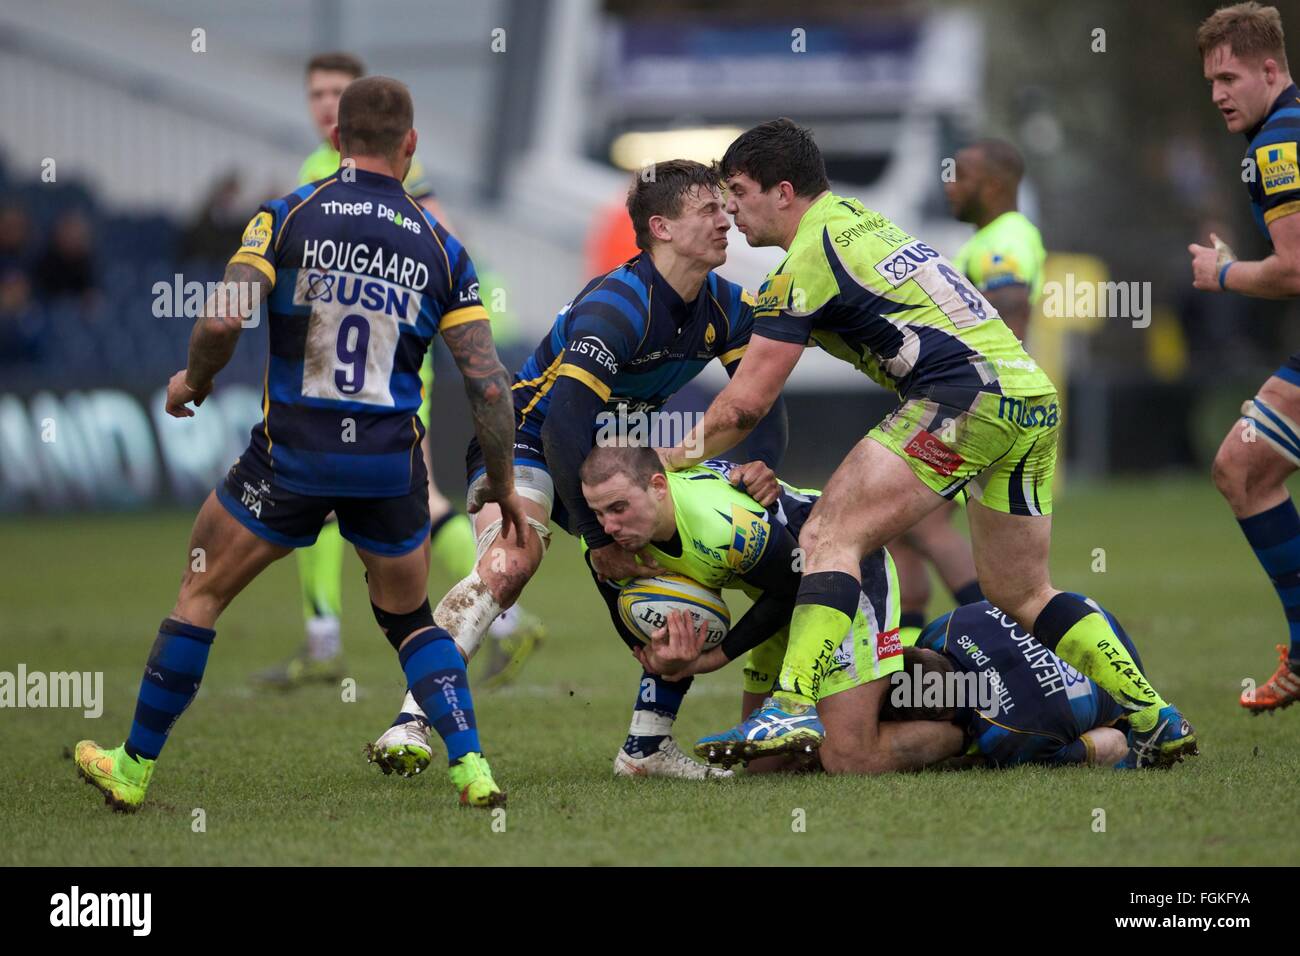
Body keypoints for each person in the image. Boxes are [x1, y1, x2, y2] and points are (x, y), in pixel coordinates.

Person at [663, 118, 1196, 770]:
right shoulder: (857, 220)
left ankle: (792, 706)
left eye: (739, 191)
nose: (731, 208)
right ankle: (1154, 717)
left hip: (961, 398)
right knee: (1021, 592)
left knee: (828, 534)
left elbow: (745, 403)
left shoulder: (808, 260)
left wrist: (664, 456)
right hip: (1028, 397)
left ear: (782, 191)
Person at [73, 76, 526, 810]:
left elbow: (222, 322)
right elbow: (489, 386)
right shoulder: (443, 247)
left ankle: (131, 770)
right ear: (410, 145)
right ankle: (473, 769)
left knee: (201, 591)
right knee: (409, 621)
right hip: (389, 465)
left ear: (337, 140)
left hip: (292, 454)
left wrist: (193, 381)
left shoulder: (288, 216)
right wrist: (502, 484)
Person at [364, 160, 790, 776]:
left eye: (727, 208)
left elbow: (757, 401)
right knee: (513, 562)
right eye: (709, 211)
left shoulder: (725, 305)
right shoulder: (618, 306)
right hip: (525, 441)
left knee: (682, 572)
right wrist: (596, 544)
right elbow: (563, 424)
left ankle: (645, 749)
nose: (727, 221)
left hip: (606, 454)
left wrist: (759, 465)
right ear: (661, 227)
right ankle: (410, 722)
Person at [255, 52, 543, 693]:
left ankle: (335, 641)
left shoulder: (395, 171)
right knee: (418, 500)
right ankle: (503, 617)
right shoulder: (312, 169)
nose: (325, 102)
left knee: (361, 496)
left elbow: (442, 238)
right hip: (334, 360)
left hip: (385, 363)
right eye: (316, 92)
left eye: (336, 91)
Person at [581, 446, 961, 776]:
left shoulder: (722, 525)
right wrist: (654, 654)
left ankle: (966, 731)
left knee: (850, 758)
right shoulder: (606, 541)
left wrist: (714, 658)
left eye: (618, 508)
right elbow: (617, 597)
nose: (609, 526)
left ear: (658, 487)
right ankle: (867, 704)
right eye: (598, 514)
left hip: (838, 578)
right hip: (778, 597)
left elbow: (791, 587)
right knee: (765, 766)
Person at [889, 138, 1046, 643]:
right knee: (899, 528)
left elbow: (1012, 312)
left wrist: (971, 403)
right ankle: (906, 659)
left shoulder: (1005, 239)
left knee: (925, 525)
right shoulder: (990, 238)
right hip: (974, 403)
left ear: (995, 185)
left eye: (962, 176)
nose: (949, 185)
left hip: (978, 406)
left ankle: (1007, 643)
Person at [1190, 3, 1300, 712]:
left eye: (1229, 76)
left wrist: (1223, 274)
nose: (1219, 93)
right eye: (1209, 82)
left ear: (1270, 68)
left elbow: (1295, 270)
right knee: (1245, 462)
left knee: (1243, 462)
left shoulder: (1278, 144)